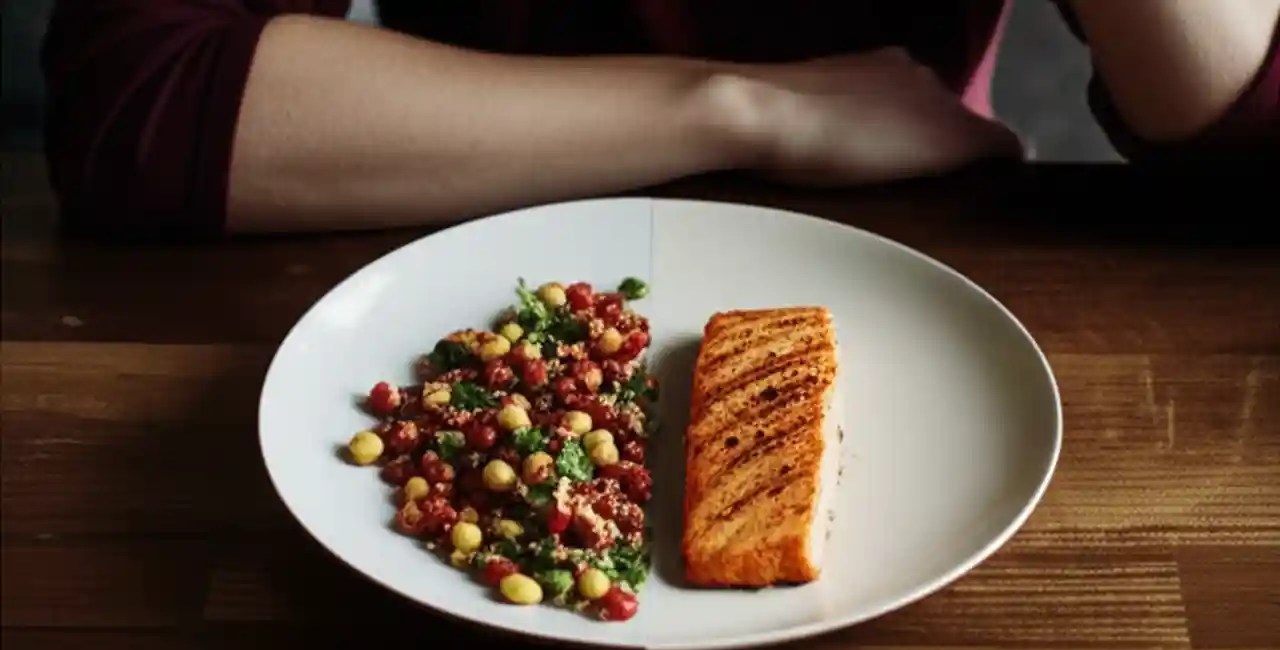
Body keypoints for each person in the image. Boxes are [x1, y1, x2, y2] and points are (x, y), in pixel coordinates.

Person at [41, 1, 1280, 235]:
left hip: (911, 227)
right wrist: (744, 109)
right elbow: (140, 99)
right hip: (449, 205)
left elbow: (1250, 144)